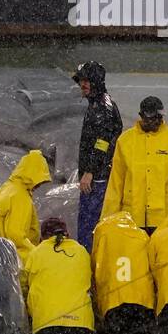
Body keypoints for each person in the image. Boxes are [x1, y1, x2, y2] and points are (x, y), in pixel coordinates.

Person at [102, 96, 168, 235]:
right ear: (141, 116)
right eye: (152, 118)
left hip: (164, 219)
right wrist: (107, 220)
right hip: (131, 219)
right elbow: (115, 184)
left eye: (159, 118)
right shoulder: (125, 140)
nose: (157, 122)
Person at [71, 61, 123, 252]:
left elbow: (102, 142)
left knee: (90, 228)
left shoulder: (101, 107)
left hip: (99, 179)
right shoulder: (99, 103)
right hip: (99, 176)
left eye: (87, 80)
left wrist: (89, 172)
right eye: (80, 80)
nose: (82, 84)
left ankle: (90, 268)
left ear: (96, 81)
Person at [0, 150, 52, 257]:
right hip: (12, 257)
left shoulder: (8, 188)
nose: (40, 185)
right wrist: (38, 255)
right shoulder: (20, 196)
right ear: (33, 175)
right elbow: (16, 236)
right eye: (41, 181)